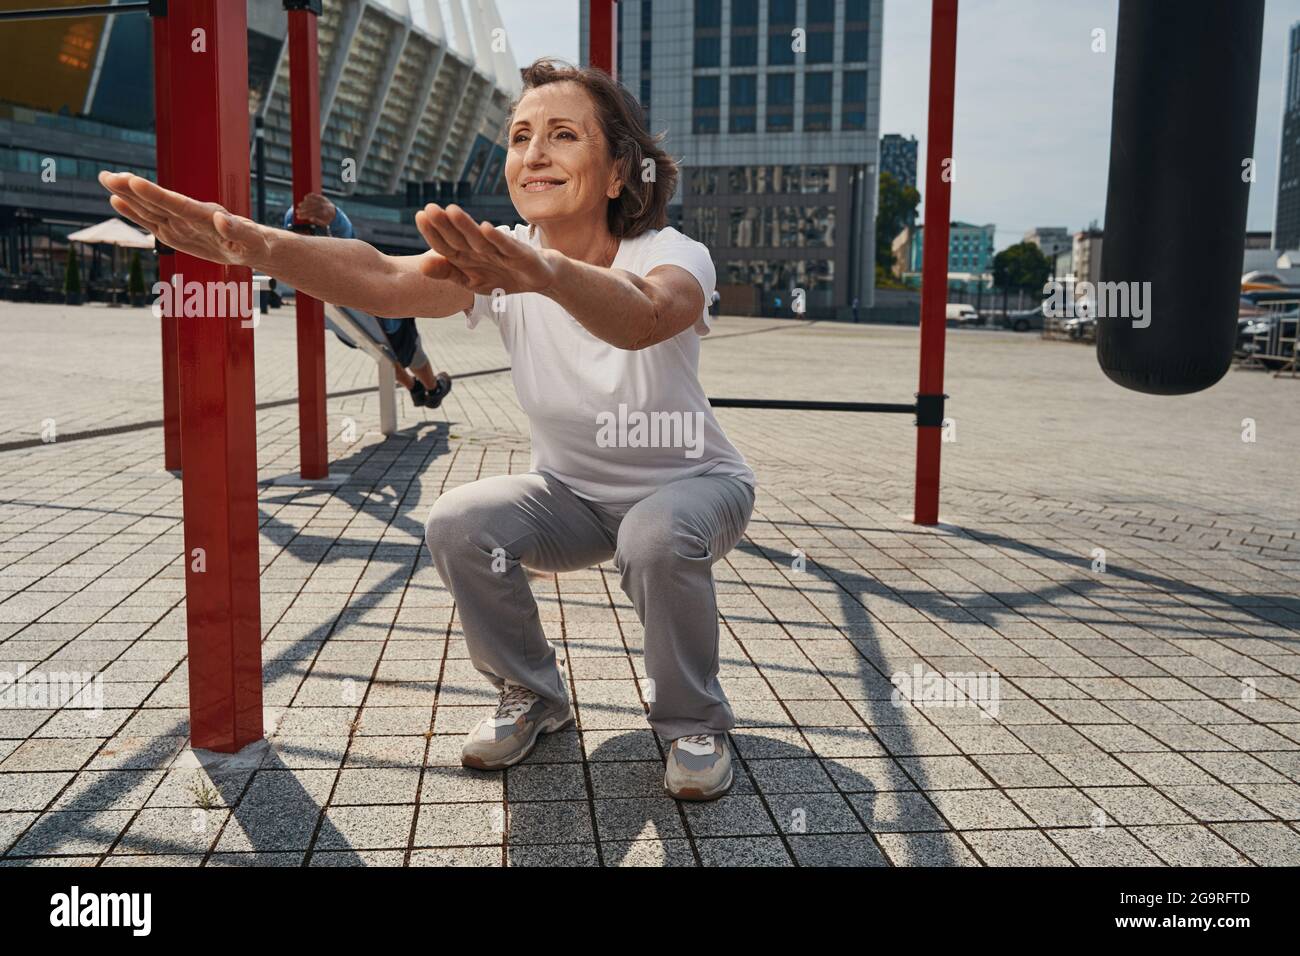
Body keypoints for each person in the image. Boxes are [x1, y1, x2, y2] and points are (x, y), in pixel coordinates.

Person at [99, 58, 756, 802]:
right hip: (574, 497)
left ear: (616, 175)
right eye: (520, 136)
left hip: (694, 488)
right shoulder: (502, 259)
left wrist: (543, 273)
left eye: (564, 135)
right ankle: (532, 694)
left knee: (653, 535)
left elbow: (646, 315)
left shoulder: (668, 253)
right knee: (459, 523)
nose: (534, 153)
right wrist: (258, 248)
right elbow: (384, 277)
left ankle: (692, 722)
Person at [284, 191, 451, 409]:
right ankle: (433, 390)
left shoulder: (296, 266)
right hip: (384, 319)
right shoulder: (332, 259)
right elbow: (347, 239)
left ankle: (414, 389)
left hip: (351, 327)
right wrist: (334, 216)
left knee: (382, 355)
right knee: (412, 355)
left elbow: (344, 238)